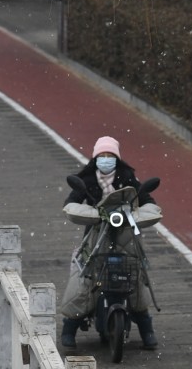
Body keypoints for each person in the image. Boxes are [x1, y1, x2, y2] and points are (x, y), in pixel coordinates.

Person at [60, 135, 158, 351]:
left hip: (127, 235)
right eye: (102, 156)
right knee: (85, 278)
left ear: (117, 158)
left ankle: (146, 328)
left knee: (136, 276)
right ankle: (69, 328)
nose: (106, 159)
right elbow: (71, 202)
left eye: (110, 156)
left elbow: (148, 201)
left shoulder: (127, 177)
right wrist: (93, 213)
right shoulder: (86, 180)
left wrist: (140, 212)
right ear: (95, 158)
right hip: (96, 235)